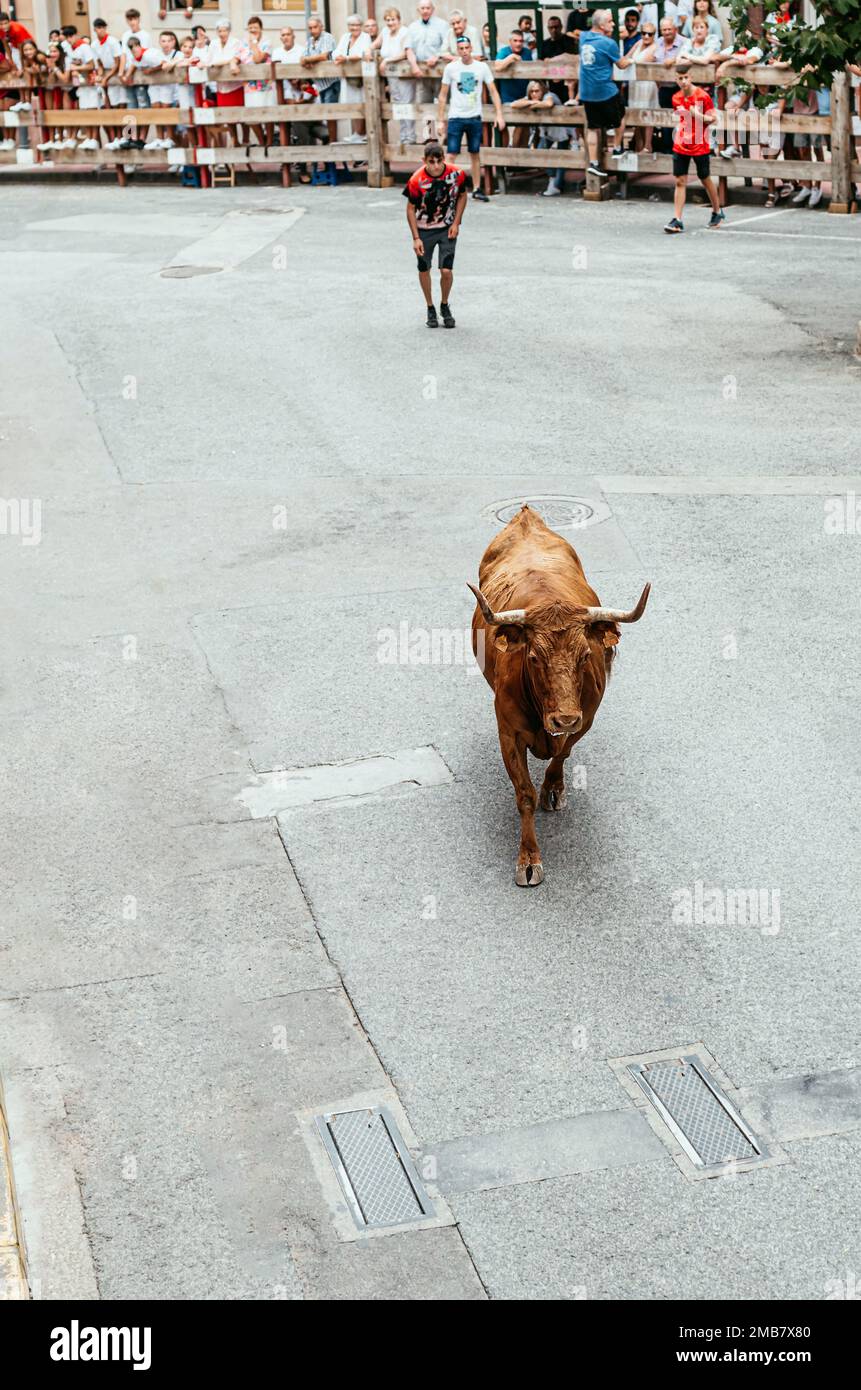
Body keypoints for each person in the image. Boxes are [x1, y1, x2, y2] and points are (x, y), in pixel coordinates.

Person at [403, 140, 467, 329]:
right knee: (424, 268)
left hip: (446, 228)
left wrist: (456, 222)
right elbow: (410, 209)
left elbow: (463, 195)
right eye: (431, 162)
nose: (436, 166)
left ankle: (444, 304)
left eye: (439, 161)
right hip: (424, 230)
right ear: (424, 161)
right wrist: (416, 238)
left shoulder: (457, 174)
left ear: (444, 159)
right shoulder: (416, 180)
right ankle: (430, 307)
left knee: (446, 270)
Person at [437, 34, 504, 200]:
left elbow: (493, 91)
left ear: (471, 48)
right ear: (457, 50)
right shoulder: (451, 68)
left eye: (467, 48)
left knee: (475, 152)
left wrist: (499, 114)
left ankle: (476, 188)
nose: (465, 51)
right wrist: (440, 120)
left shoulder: (481, 67)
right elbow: (443, 95)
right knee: (451, 153)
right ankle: (447, 188)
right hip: (456, 116)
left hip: (474, 116)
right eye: (461, 49)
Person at [664, 67, 724, 232]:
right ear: (676, 80)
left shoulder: (702, 96)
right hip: (681, 143)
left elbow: (714, 119)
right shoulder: (675, 98)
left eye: (685, 77)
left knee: (704, 178)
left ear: (691, 77)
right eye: (680, 78)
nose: (683, 81)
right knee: (679, 180)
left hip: (700, 144)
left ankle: (717, 211)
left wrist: (698, 115)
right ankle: (677, 219)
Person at [577, 10, 627, 175]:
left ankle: (593, 162)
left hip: (587, 92)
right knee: (621, 117)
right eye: (610, 21)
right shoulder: (608, 43)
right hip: (604, 91)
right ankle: (618, 148)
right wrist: (631, 58)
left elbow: (580, 32)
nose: (613, 25)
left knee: (593, 128)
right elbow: (621, 64)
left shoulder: (584, 37)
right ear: (601, 25)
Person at [511, 76, 579, 196]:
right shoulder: (531, 98)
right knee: (540, 152)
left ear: (542, 90)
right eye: (532, 91)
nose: (534, 93)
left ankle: (556, 186)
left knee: (561, 158)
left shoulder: (549, 95)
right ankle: (553, 179)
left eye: (537, 91)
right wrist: (532, 102)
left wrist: (534, 104)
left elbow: (548, 104)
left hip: (562, 129)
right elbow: (514, 104)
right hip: (547, 131)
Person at [405, 3, 450, 142]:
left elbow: (446, 45)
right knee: (425, 104)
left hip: (439, 71)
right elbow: (409, 48)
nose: (425, 11)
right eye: (422, 8)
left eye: (428, 8)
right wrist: (414, 65)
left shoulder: (442, 25)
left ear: (433, 9)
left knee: (443, 102)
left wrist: (437, 56)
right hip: (422, 73)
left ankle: (445, 137)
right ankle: (430, 137)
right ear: (418, 10)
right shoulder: (412, 27)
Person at [301, 15, 339, 147]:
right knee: (325, 113)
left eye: (315, 27)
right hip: (319, 84)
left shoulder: (327, 37)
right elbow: (303, 59)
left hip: (331, 82)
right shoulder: (309, 41)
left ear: (321, 26)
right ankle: (329, 141)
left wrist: (309, 60)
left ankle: (333, 142)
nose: (312, 30)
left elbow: (324, 56)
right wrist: (308, 60)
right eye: (310, 28)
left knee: (331, 113)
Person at [333, 14, 371, 143]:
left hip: (360, 77)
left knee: (361, 103)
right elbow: (336, 52)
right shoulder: (345, 37)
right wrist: (339, 57)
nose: (354, 28)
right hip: (347, 76)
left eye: (356, 25)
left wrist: (346, 58)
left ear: (360, 26)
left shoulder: (366, 37)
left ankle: (362, 133)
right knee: (351, 104)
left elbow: (363, 53)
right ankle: (356, 133)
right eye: (351, 25)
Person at [379, 8, 414, 145]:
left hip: (404, 73)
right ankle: (403, 135)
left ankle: (410, 137)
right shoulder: (385, 32)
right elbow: (375, 44)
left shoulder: (405, 32)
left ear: (399, 20)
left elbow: (405, 53)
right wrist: (368, 50)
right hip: (391, 75)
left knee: (406, 103)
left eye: (393, 19)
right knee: (398, 104)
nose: (390, 22)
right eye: (387, 20)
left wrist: (387, 60)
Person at [494, 28, 533, 147]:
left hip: (523, 96)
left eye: (521, 41)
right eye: (515, 40)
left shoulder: (527, 52)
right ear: (510, 41)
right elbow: (497, 66)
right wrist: (512, 58)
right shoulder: (504, 51)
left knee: (523, 126)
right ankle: (506, 158)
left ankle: (518, 160)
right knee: (502, 127)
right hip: (506, 97)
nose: (518, 43)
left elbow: (533, 70)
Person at [241, 14, 274, 150]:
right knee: (252, 116)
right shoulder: (243, 43)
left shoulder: (267, 42)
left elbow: (258, 58)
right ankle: (261, 141)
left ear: (261, 28)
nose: (253, 30)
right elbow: (242, 59)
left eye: (255, 27)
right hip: (250, 84)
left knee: (267, 114)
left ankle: (270, 142)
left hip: (265, 84)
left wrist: (254, 44)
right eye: (250, 28)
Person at [652, 15, 685, 152]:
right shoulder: (658, 43)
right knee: (666, 118)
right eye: (664, 30)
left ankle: (682, 147)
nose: (666, 32)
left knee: (682, 117)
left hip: (679, 87)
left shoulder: (684, 42)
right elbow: (653, 63)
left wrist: (675, 60)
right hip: (663, 87)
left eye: (669, 29)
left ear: (675, 29)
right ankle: (667, 149)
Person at [626, 20, 658, 153]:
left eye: (649, 34)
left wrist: (628, 61)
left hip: (647, 84)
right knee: (636, 115)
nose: (646, 36)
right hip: (635, 84)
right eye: (643, 33)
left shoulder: (655, 47)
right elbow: (627, 56)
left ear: (654, 35)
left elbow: (641, 61)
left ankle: (647, 145)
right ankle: (638, 145)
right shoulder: (638, 43)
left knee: (647, 114)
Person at [539, 13, 576, 104]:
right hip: (552, 81)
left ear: (561, 27)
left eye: (556, 27)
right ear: (548, 28)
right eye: (551, 28)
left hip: (568, 82)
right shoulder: (545, 44)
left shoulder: (569, 41)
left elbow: (572, 58)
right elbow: (541, 62)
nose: (554, 30)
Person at [120, 9, 152, 109]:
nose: (132, 22)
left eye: (134, 19)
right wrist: (121, 73)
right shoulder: (125, 35)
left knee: (143, 103)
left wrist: (128, 74)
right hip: (127, 72)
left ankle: (144, 125)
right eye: (130, 19)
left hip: (139, 72)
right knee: (131, 104)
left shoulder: (145, 35)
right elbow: (124, 54)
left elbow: (139, 56)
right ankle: (132, 125)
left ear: (139, 19)